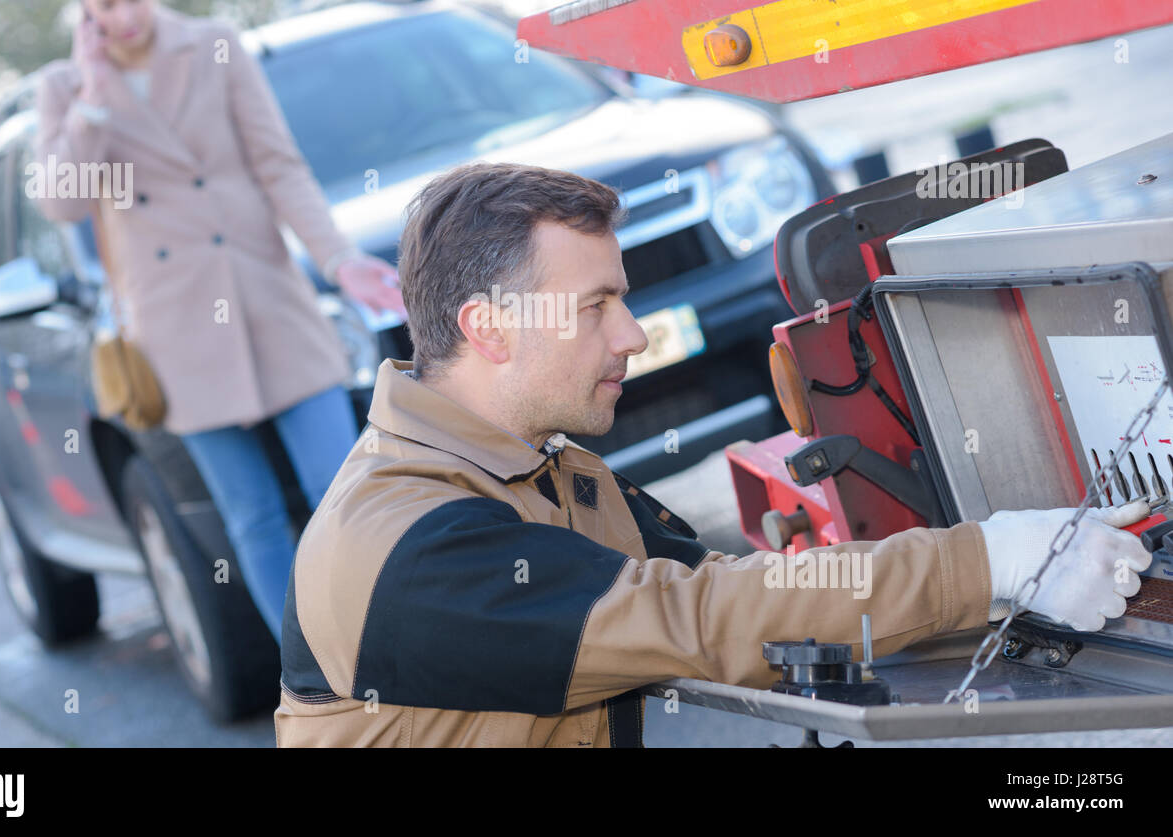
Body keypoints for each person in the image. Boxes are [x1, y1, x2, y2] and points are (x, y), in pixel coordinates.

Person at [273, 161, 1151, 747]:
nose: (634, 332)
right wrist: (990, 559)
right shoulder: (403, 541)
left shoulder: (545, 474)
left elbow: (760, 598)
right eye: (597, 305)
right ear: (489, 329)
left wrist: (1016, 581)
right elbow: (695, 619)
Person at [32, 0, 405, 643]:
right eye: (106, 5)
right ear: (84, 9)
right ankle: (314, 677)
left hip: (269, 299)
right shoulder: (65, 89)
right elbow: (61, 199)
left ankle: (389, 648)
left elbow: (278, 165)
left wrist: (337, 258)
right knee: (254, 515)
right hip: (177, 334)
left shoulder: (214, 46)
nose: (125, 15)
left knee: (345, 490)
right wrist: (94, 101)